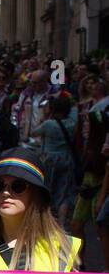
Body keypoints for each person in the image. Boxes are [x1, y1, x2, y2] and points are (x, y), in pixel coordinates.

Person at [31, 95, 78, 224]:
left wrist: (44, 116)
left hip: (49, 159)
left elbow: (33, 133)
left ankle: (46, 221)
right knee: (64, 191)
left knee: (47, 189)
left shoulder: (48, 124)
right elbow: (74, 107)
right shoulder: (72, 123)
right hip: (66, 158)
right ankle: (61, 223)